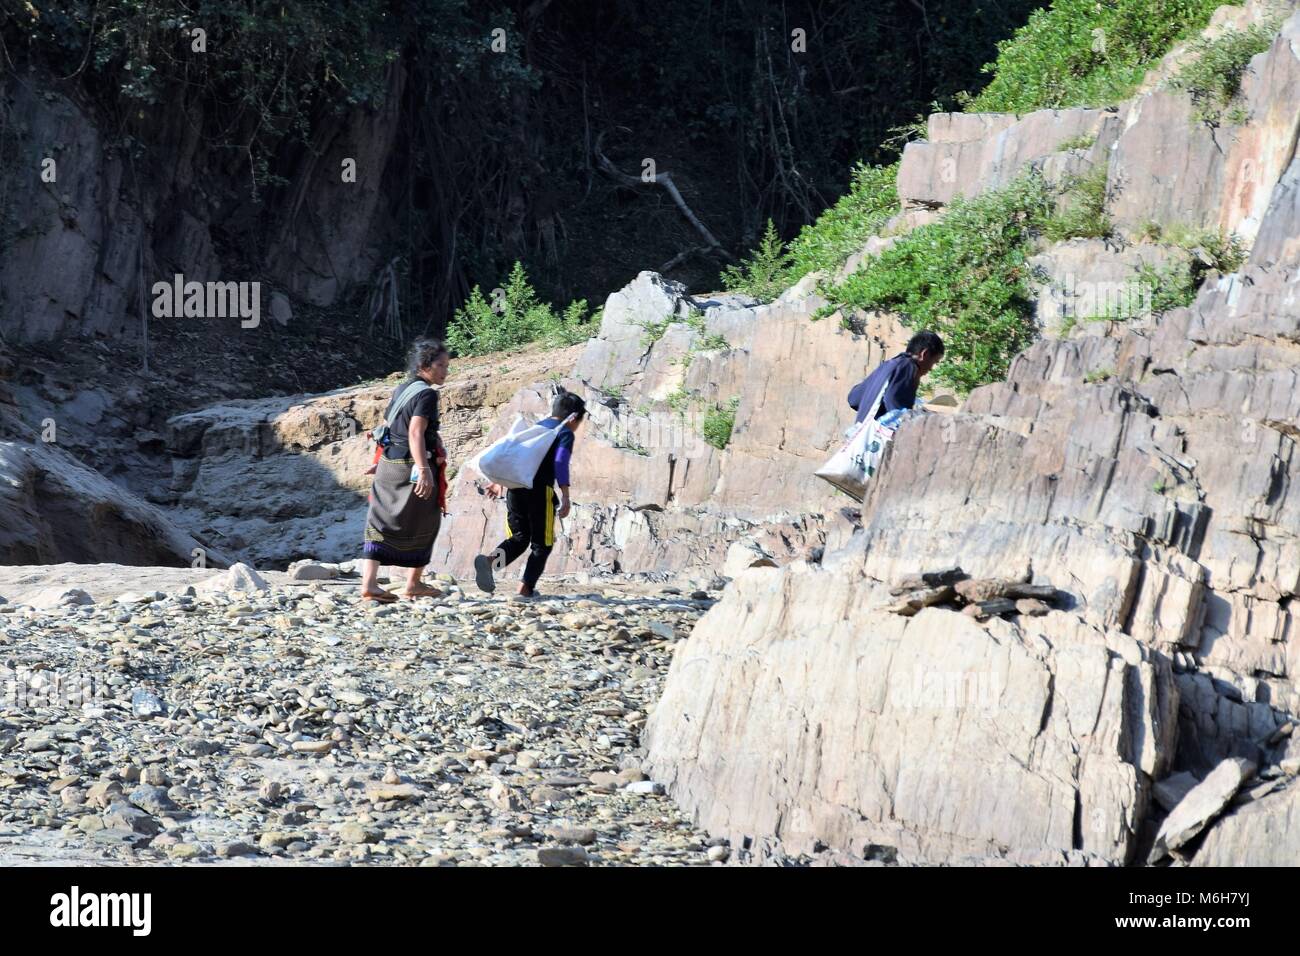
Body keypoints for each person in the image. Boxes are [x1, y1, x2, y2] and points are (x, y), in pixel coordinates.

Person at [359, 339, 450, 602]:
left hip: (388, 464)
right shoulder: (427, 394)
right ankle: (413, 583)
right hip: (411, 465)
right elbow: (415, 432)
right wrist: (423, 469)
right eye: (441, 365)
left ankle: (369, 584)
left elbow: (387, 425)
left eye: (447, 366)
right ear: (424, 365)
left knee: (379, 522)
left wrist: (378, 460)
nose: (445, 371)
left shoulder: (402, 388)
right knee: (427, 519)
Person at [473, 388, 586, 599]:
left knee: (519, 538)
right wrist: (566, 495)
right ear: (573, 418)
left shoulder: (537, 428)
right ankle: (525, 589)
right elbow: (560, 462)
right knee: (543, 544)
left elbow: (514, 457)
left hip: (515, 490)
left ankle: (490, 562)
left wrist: (497, 482)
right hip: (539, 493)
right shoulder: (564, 433)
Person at [847, 330, 944, 424]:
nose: (931, 368)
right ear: (924, 354)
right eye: (934, 362)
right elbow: (896, 409)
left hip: (861, 433)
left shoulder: (888, 365)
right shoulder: (907, 366)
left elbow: (853, 399)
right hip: (880, 434)